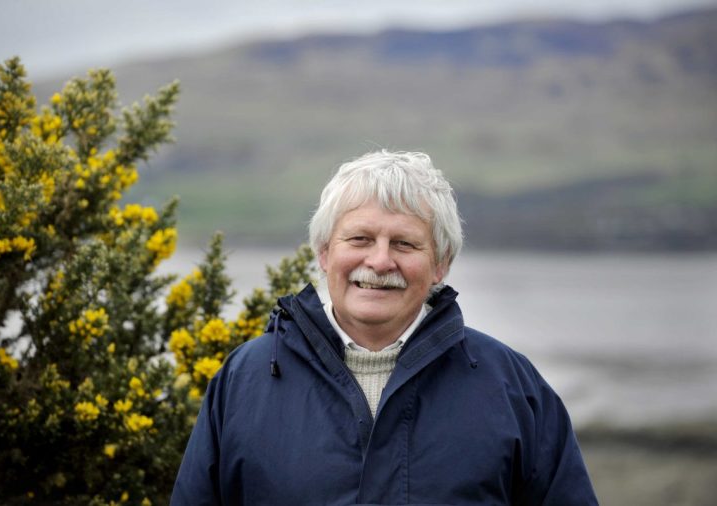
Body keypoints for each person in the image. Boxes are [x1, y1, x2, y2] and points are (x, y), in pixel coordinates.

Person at [171, 150, 598, 505]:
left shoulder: (511, 386)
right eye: (359, 239)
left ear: (441, 264)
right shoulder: (246, 379)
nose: (379, 262)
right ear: (323, 253)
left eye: (405, 243)